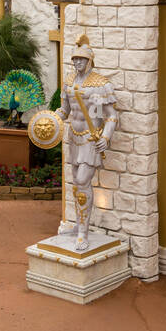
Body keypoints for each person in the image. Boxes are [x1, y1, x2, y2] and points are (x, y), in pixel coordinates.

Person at [57, 35, 117, 251]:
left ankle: (83, 232)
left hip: (91, 139)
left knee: (82, 181)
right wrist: (54, 117)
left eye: (81, 60)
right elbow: (65, 110)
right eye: (74, 60)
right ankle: (78, 225)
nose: (76, 63)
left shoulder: (101, 84)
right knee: (76, 182)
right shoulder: (69, 81)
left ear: (90, 60)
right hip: (73, 137)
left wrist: (106, 137)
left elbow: (111, 116)